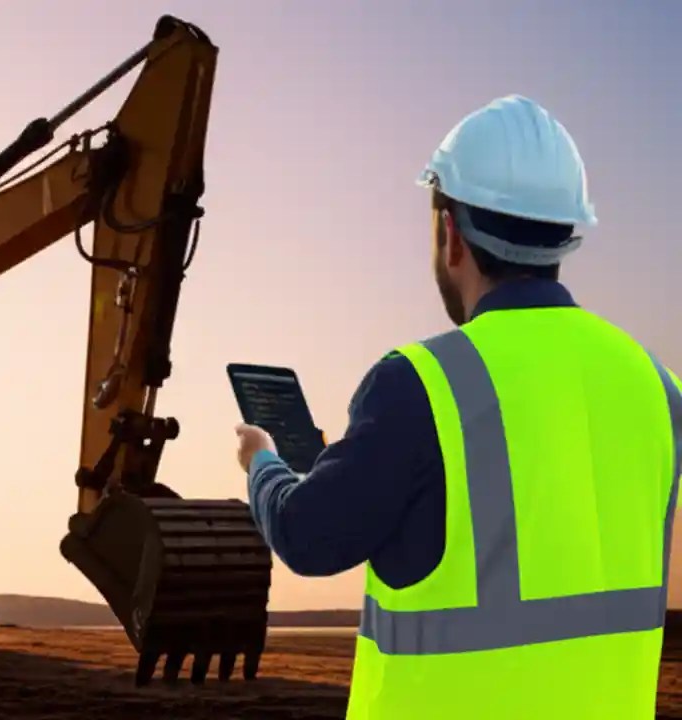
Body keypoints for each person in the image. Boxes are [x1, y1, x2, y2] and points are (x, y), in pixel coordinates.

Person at [235, 95, 682, 719]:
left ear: (450, 234)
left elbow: (308, 537)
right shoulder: (658, 388)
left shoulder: (418, 385)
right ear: (563, 235)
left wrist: (263, 463)